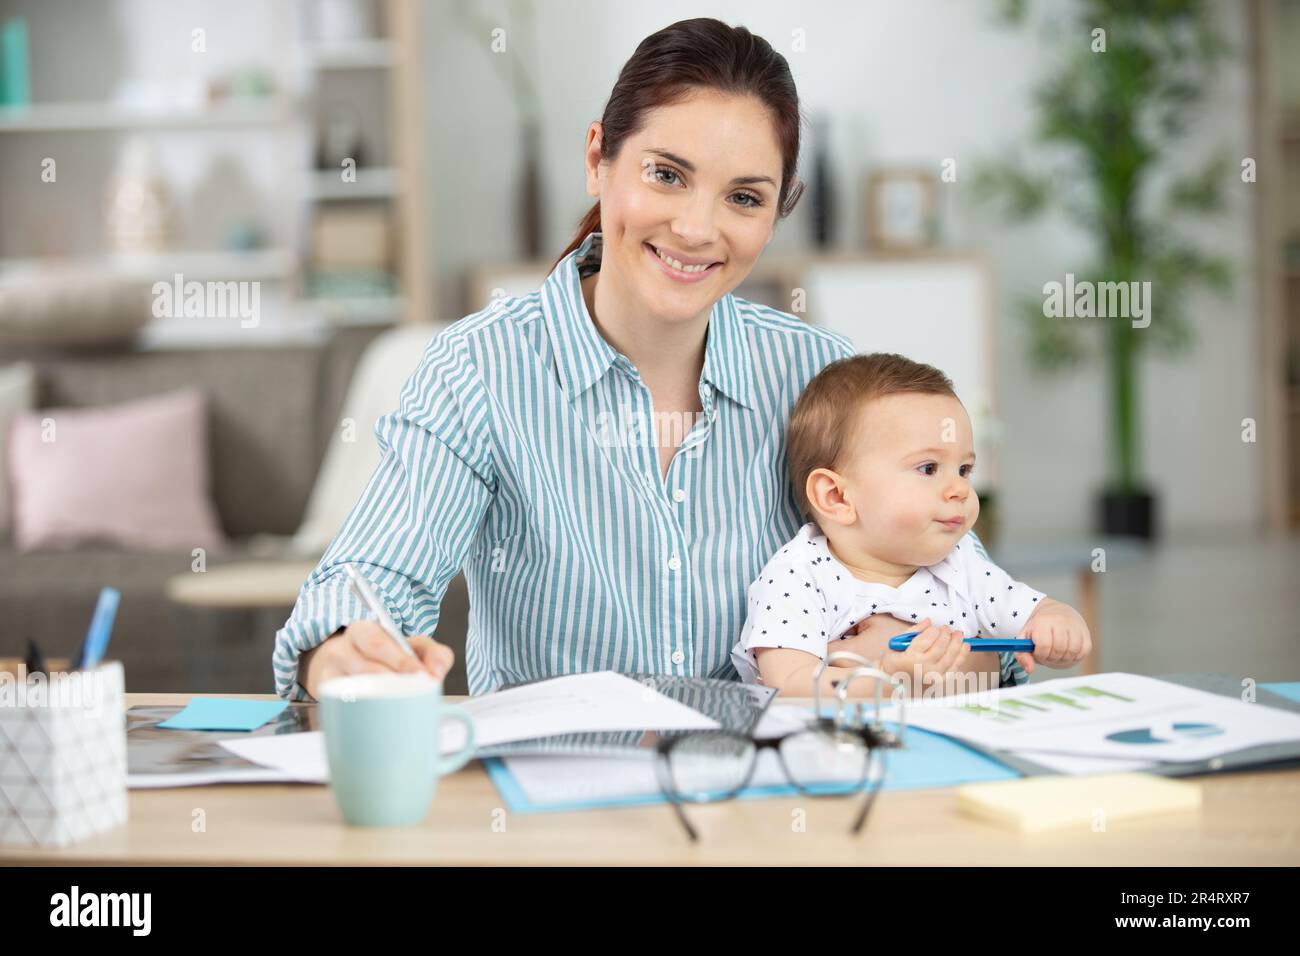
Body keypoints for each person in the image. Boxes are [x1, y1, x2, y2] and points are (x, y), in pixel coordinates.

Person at [272, 18, 987, 701]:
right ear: (597, 159)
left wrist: (907, 650)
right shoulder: (480, 368)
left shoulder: (816, 373)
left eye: (743, 197)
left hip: (775, 799)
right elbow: (373, 576)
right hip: (561, 805)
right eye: (667, 175)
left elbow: (965, 602)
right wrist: (344, 650)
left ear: (775, 215)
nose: (697, 228)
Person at [732, 353, 1093, 698]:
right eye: (929, 469)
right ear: (836, 498)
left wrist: (1058, 625)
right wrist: (887, 678)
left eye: (965, 470)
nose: (960, 490)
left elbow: (1034, 611)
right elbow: (788, 684)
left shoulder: (961, 564)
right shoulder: (798, 577)